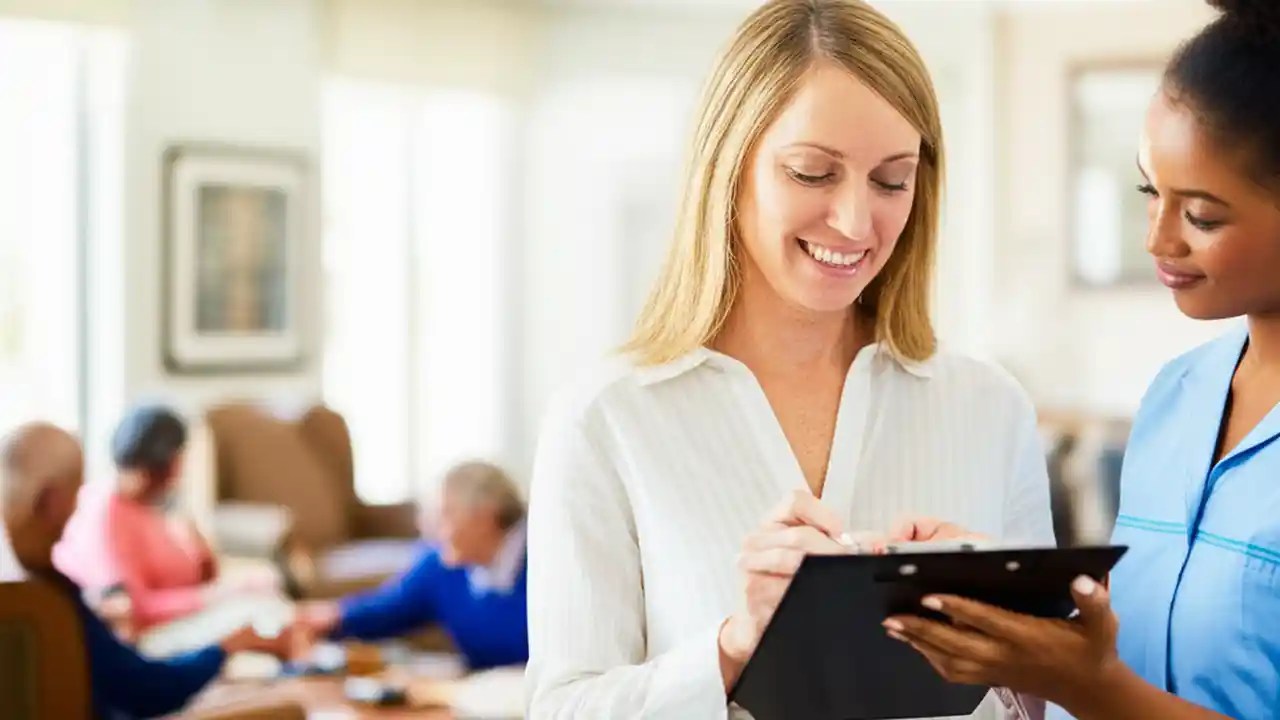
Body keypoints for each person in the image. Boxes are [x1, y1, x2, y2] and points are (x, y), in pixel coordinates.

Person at [524, 1, 1055, 717]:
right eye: (812, 172)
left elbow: (1046, 704)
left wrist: (1008, 642)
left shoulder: (989, 406)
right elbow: (562, 708)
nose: (856, 222)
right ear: (728, 167)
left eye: (891, 180)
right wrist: (734, 646)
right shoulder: (606, 418)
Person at [883, 2, 1280, 719]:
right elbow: (1140, 658)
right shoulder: (1176, 397)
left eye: (1201, 215)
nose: (1157, 239)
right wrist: (1015, 602)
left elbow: (1109, 690)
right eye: (1149, 192)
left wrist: (1086, 686)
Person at [1, 422, 293, 719]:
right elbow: (148, 689)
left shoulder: (24, 586)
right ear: (51, 501)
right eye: (76, 491)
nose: (78, 506)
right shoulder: (53, 601)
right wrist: (227, 647)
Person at [295, 461, 528, 671]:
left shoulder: (540, 566)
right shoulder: (442, 566)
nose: (430, 530)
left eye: (445, 515)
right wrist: (331, 617)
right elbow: (388, 609)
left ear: (485, 518)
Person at [56, 404, 269, 633]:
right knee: (259, 622)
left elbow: (205, 572)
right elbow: (135, 607)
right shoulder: (107, 512)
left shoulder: (155, 505)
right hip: (154, 632)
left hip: (184, 618)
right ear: (170, 461)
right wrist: (217, 595)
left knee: (267, 599)